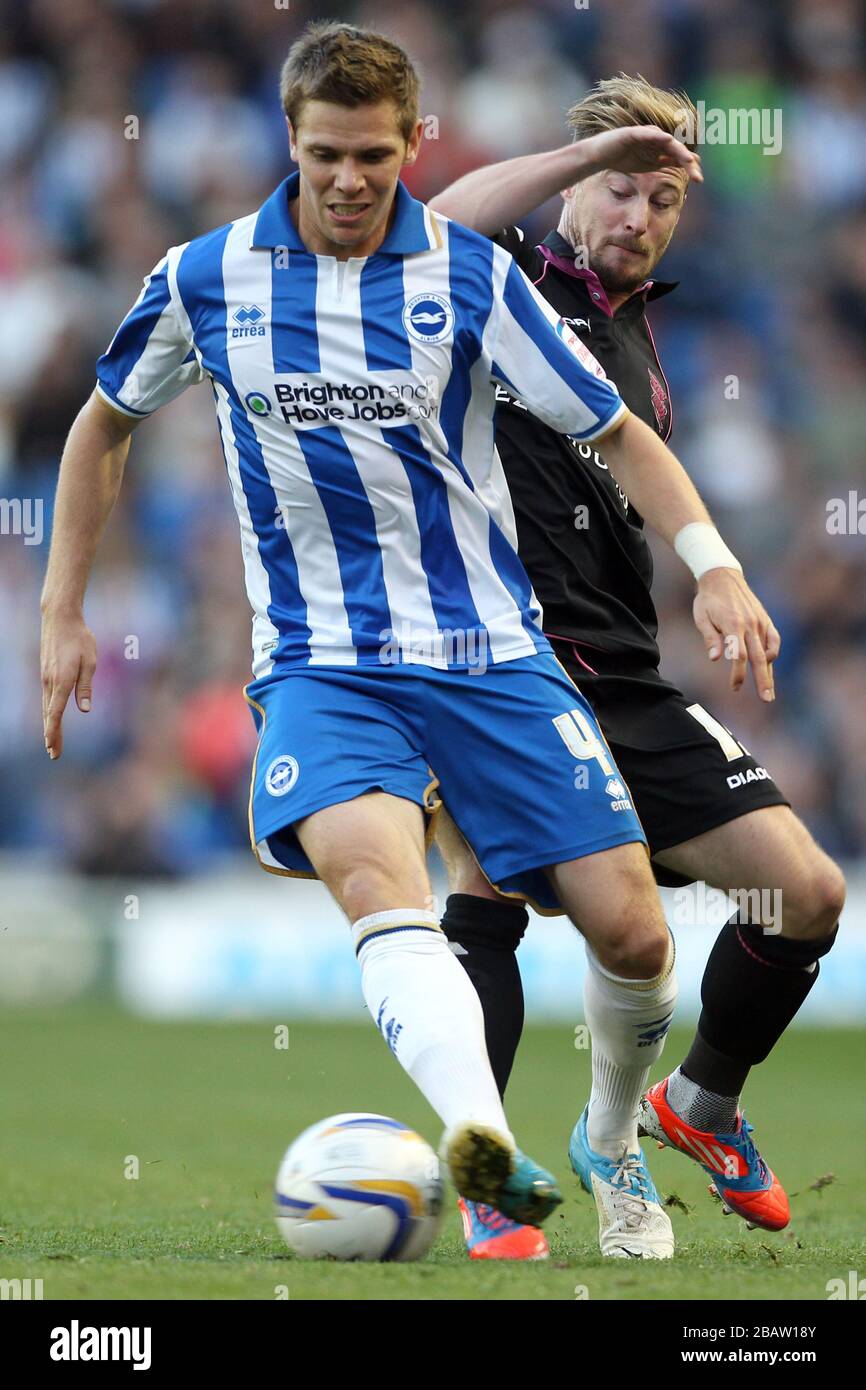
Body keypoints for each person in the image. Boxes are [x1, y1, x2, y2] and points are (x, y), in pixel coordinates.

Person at [40, 24, 769, 1246]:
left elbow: (614, 431)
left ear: (407, 146)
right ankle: (484, 1153)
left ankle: (605, 1138)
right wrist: (63, 606)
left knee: (636, 930)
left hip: (490, 652)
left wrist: (715, 567)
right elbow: (100, 424)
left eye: (374, 157)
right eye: (324, 153)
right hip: (322, 664)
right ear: (290, 139)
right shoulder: (204, 276)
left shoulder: (470, 278)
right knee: (383, 883)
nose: (346, 181)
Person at [429, 75, 845, 1260]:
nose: (636, 215)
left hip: (617, 675)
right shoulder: (497, 268)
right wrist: (582, 156)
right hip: (488, 660)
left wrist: (713, 571)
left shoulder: (643, 350)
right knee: (484, 897)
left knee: (800, 893)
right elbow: (445, 214)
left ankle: (687, 1107)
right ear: (573, 183)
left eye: (661, 197)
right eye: (618, 186)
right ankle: (485, 1174)